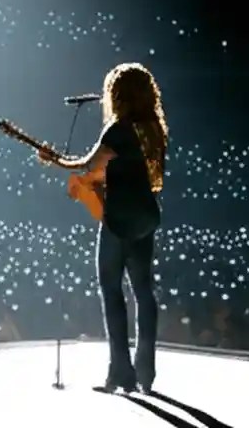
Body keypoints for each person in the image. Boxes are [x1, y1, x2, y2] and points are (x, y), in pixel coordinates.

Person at [37, 62, 165, 394]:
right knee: (144, 291)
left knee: (112, 291)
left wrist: (54, 159)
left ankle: (121, 372)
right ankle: (146, 371)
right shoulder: (153, 128)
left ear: (118, 94)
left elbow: (89, 164)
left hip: (118, 218)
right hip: (145, 216)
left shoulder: (118, 129)